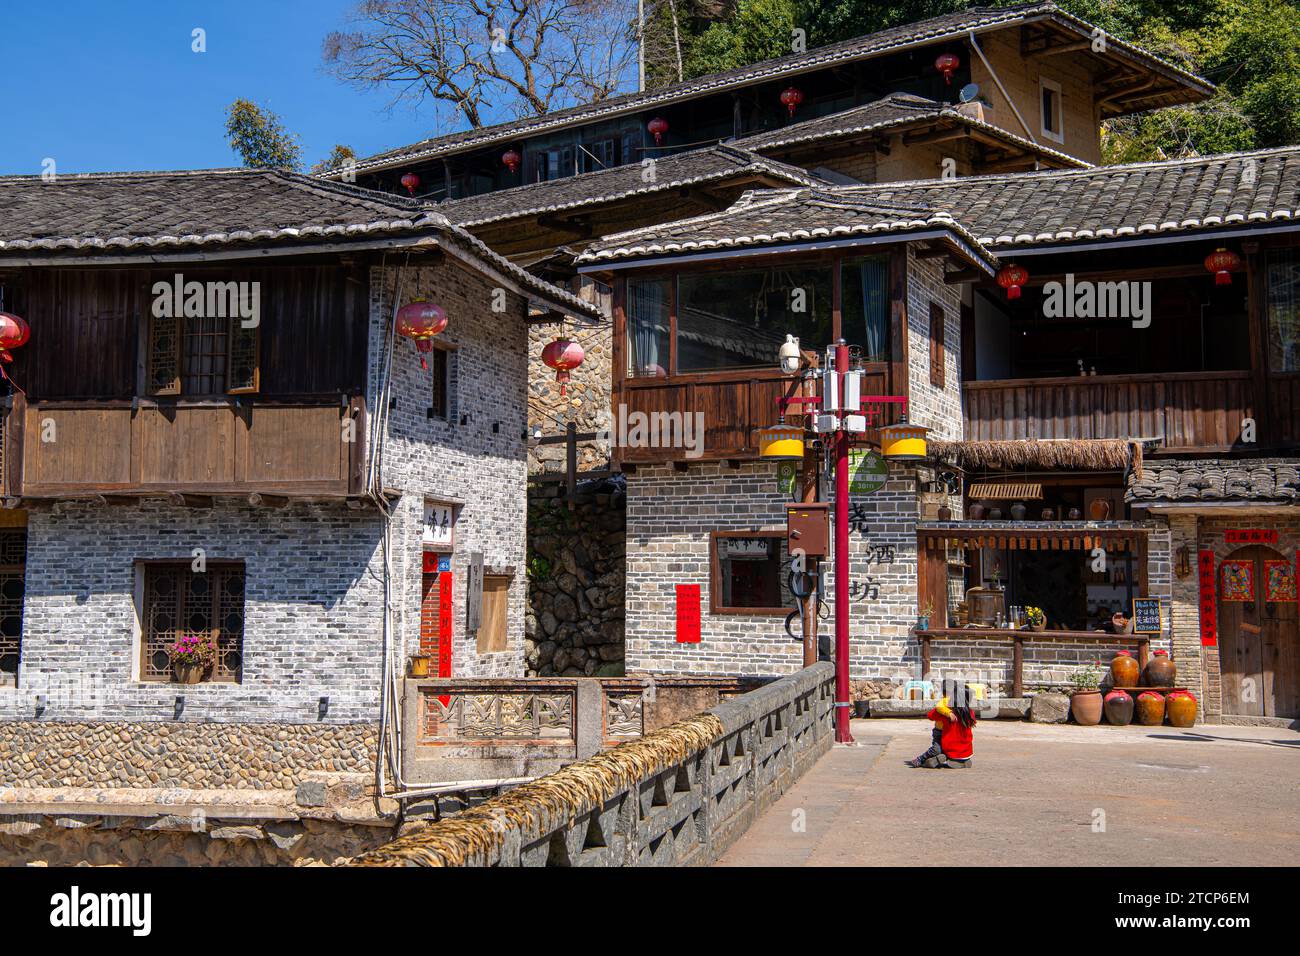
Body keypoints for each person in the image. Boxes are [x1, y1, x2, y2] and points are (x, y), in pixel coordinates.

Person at [907, 682, 977, 769]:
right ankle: (962, 762)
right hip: (967, 753)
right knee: (949, 749)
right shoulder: (970, 713)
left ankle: (935, 758)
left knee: (939, 749)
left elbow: (930, 715)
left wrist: (944, 706)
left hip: (950, 751)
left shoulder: (948, 713)